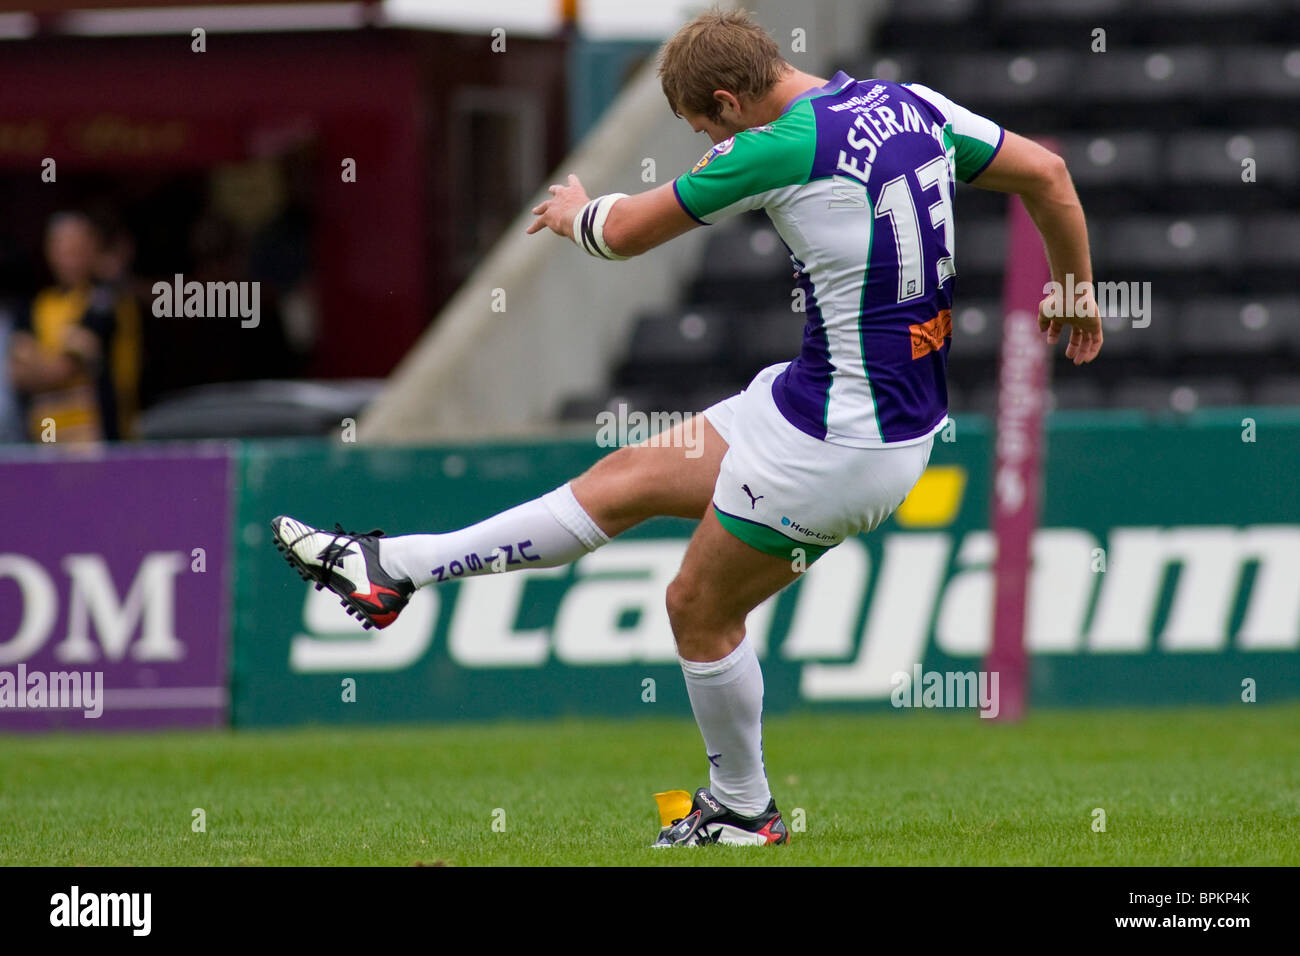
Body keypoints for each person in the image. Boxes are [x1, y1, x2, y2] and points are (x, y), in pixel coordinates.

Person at [270, 9, 1101, 847]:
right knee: (619, 484)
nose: (705, 139)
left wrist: (573, 212)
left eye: (703, 125)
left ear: (733, 101)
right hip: (817, 404)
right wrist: (1075, 286)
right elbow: (1050, 174)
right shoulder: (912, 104)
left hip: (840, 441)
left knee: (696, 607)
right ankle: (393, 567)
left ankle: (744, 810)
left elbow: (626, 233)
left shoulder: (776, 146)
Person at [7, 211, 141, 442]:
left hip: (99, 440)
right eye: (62, 248)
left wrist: (39, 360)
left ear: (93, 249)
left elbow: (64, 368)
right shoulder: (35, 307)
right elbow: (18, 375)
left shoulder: (105, 302)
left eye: (77, 248)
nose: (69, 257)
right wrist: (63, 359)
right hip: (47, 439)